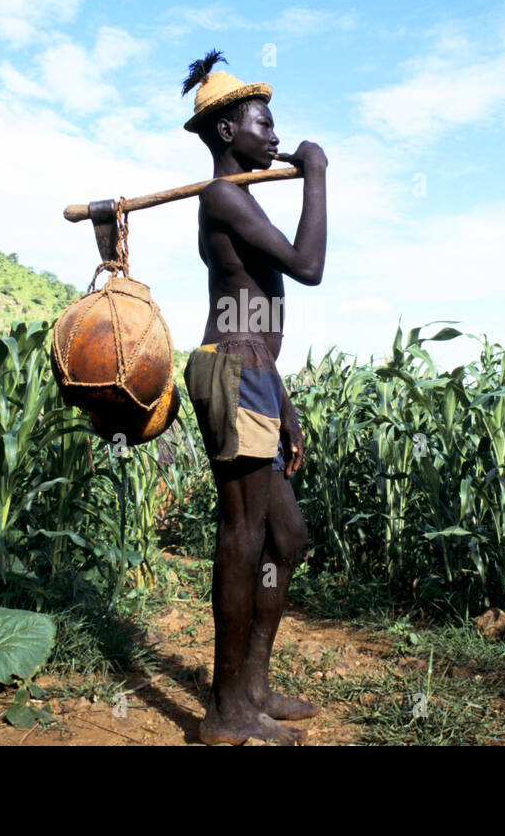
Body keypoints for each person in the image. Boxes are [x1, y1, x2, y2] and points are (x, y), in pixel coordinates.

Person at [181, 50, 328, 745]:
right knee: (242, 537)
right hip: (230, 371)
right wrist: (318, 176)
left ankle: (255, 686)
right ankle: (224, 711)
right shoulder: (223, 197)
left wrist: (285, 403)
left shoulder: (244, 199)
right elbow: (308, 268)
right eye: (263, 125)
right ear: (224, 134)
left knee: (286, 535)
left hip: (256, 373)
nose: (276, 137)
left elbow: (261, 313)